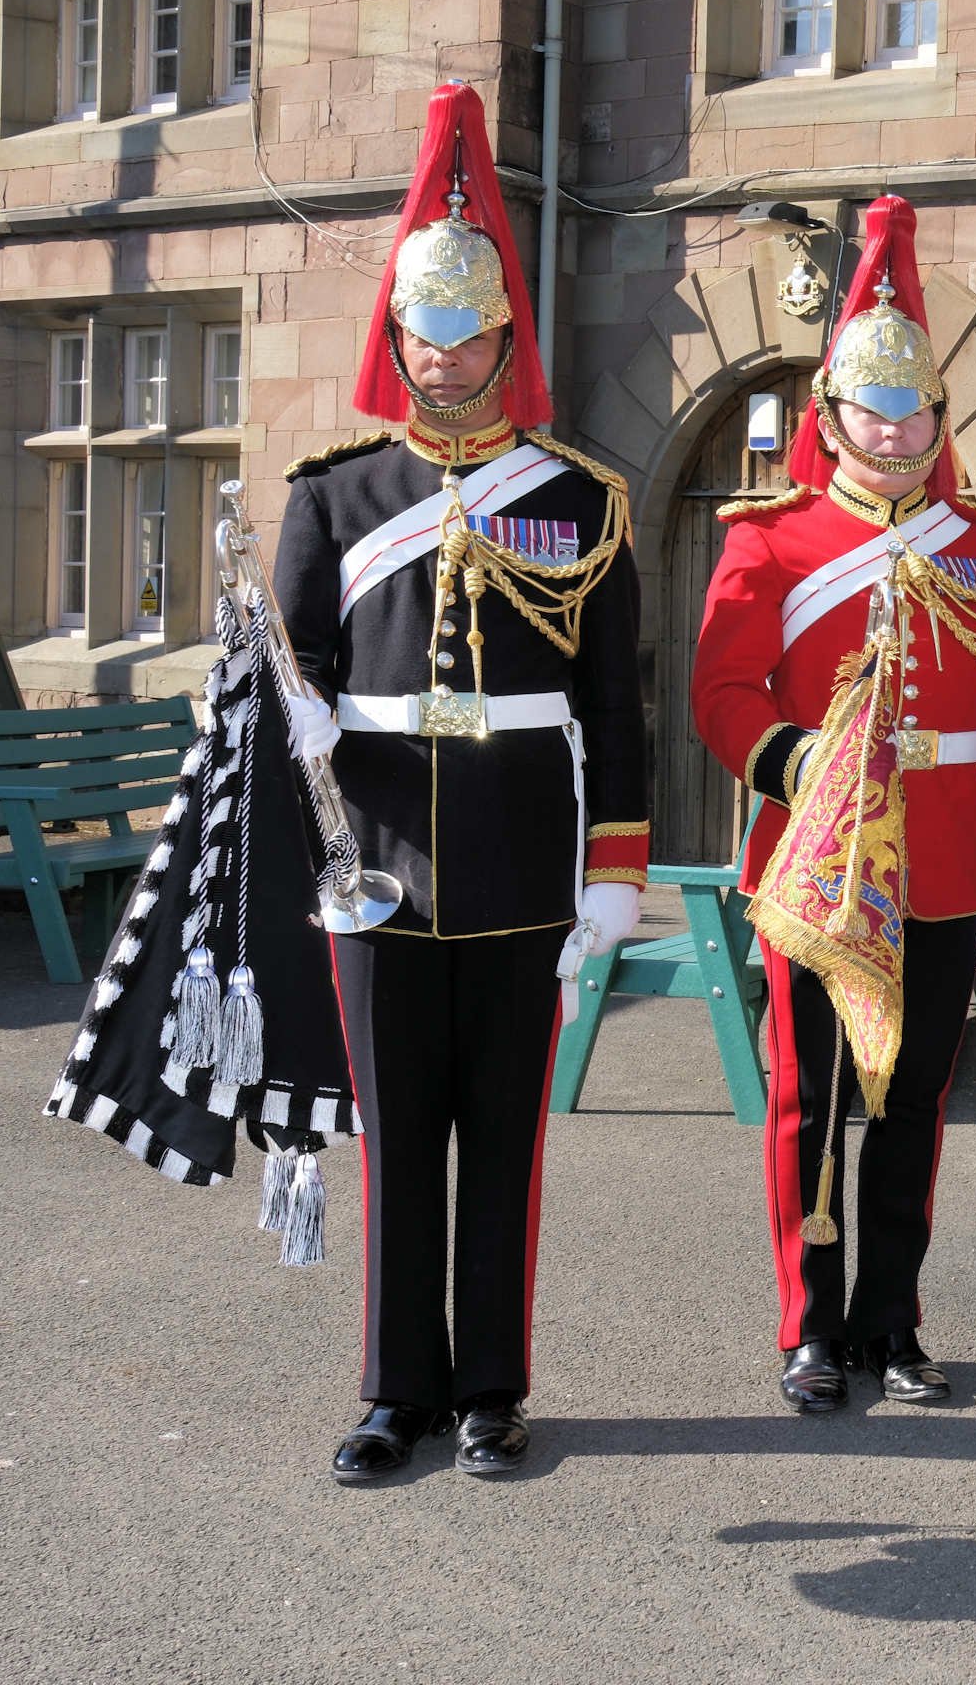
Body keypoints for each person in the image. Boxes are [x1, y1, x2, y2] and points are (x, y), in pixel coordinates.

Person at [270, 81, 650, 1484]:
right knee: (395, 1146)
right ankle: (393, 1393)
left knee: (504, 1147)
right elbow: (290, 672)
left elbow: (615, 706)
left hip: (518, 866)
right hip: (369, 866)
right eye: (418, 334)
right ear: (397, 341)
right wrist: (285, 717)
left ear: (504, 333)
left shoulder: (581, 500)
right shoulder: (332, 495)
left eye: (466, 330)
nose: (441, 358)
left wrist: (614, 873)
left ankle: (493, 1387)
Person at [691, 197, 976, 1415]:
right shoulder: (774, 542)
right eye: (873, 408)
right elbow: (724, 692)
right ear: (829, 417)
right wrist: (803, 769)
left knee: (910, 1106)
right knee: (810, 1104)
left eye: (915, 410)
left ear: (938, 418)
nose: (896, 430)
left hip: (945, 866)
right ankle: (809, 1328)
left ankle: (892, 1320)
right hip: (815, 869)